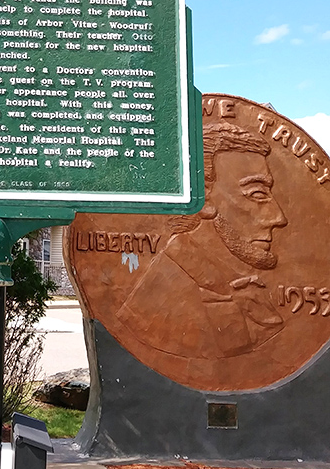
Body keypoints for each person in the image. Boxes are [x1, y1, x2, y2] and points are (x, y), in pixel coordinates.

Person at [116, 122, 288, 360]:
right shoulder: (155, 306)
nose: (279, 218)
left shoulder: (237, 283)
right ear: (201, 200)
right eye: (257, 194)